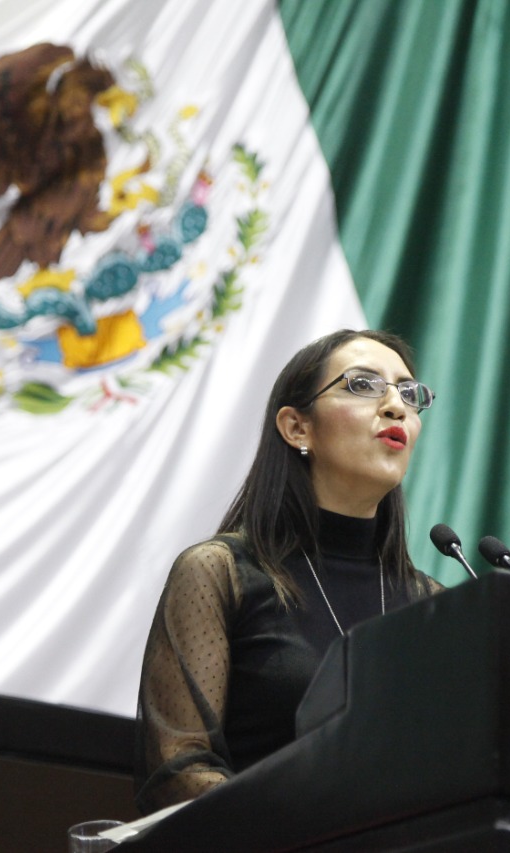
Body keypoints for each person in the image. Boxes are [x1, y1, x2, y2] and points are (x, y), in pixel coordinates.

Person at [133, 329, 443, 813]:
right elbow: (177, 773)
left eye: (409, 393)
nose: (395, 406)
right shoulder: (221, 573)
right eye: (363, 385)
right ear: (297, 428)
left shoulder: (434, 607)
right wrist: (317, 815)